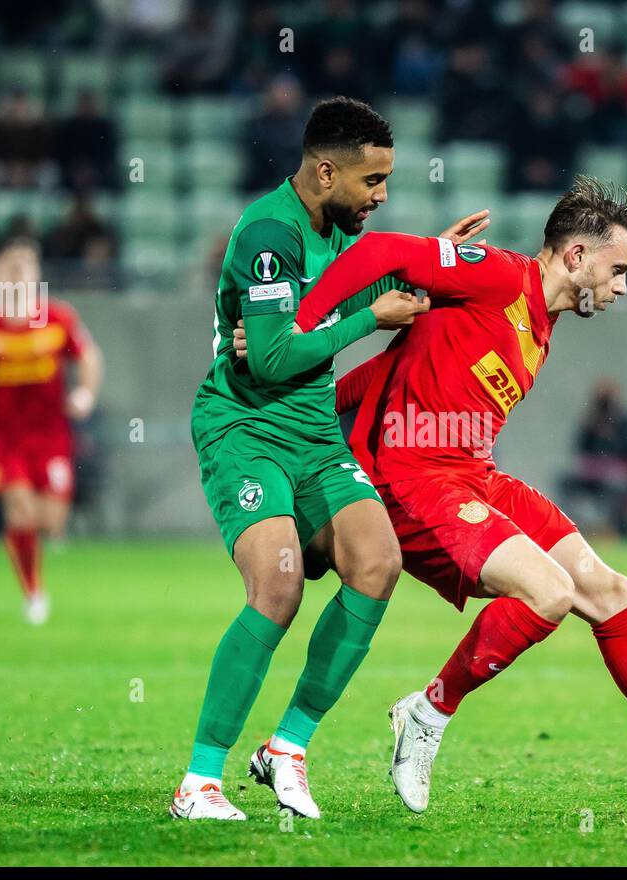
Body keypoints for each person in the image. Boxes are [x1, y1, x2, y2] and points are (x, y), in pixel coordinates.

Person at [275, 176, 627, 819]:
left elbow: (400, 363)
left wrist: (329, 404)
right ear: (576, 256)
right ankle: (427, 712)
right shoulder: (497, 276)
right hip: (411, 480)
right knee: (550, 594)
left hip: (472, 474)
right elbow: (377, 253)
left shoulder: (541, 322)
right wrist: (296, 332)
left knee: (611, 593)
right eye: (617, 269)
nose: (622, 286)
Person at [171, 97, 490, 824]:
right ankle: (199, 781)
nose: (381, 196)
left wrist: (419, 265)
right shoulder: (269, 233)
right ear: (324, 172)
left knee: (378, 562)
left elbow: (361, 287)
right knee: (279, 587)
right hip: (246, 428)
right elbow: (277, 357)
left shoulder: (339, 231)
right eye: (372, 181)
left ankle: (287, 746)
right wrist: (366, 321)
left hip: (315, 434)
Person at [0, 239, 103, 625]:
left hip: (51, 434)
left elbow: (89, 357)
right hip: (5, 435)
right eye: (9, 266)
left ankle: (27, 554)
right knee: (20, 509)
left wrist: (85, 393)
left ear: (37, 275)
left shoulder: (58, 319)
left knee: (51, 521)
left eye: (25, 265)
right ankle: (33, 592)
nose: (17, 272)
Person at [559, 379, 627, 538]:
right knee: (565, 482)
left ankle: (616, 528)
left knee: (615, 486)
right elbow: (581, 452)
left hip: (621, 475)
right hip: (594, 475)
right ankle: (575, 528)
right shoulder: (590, 423)